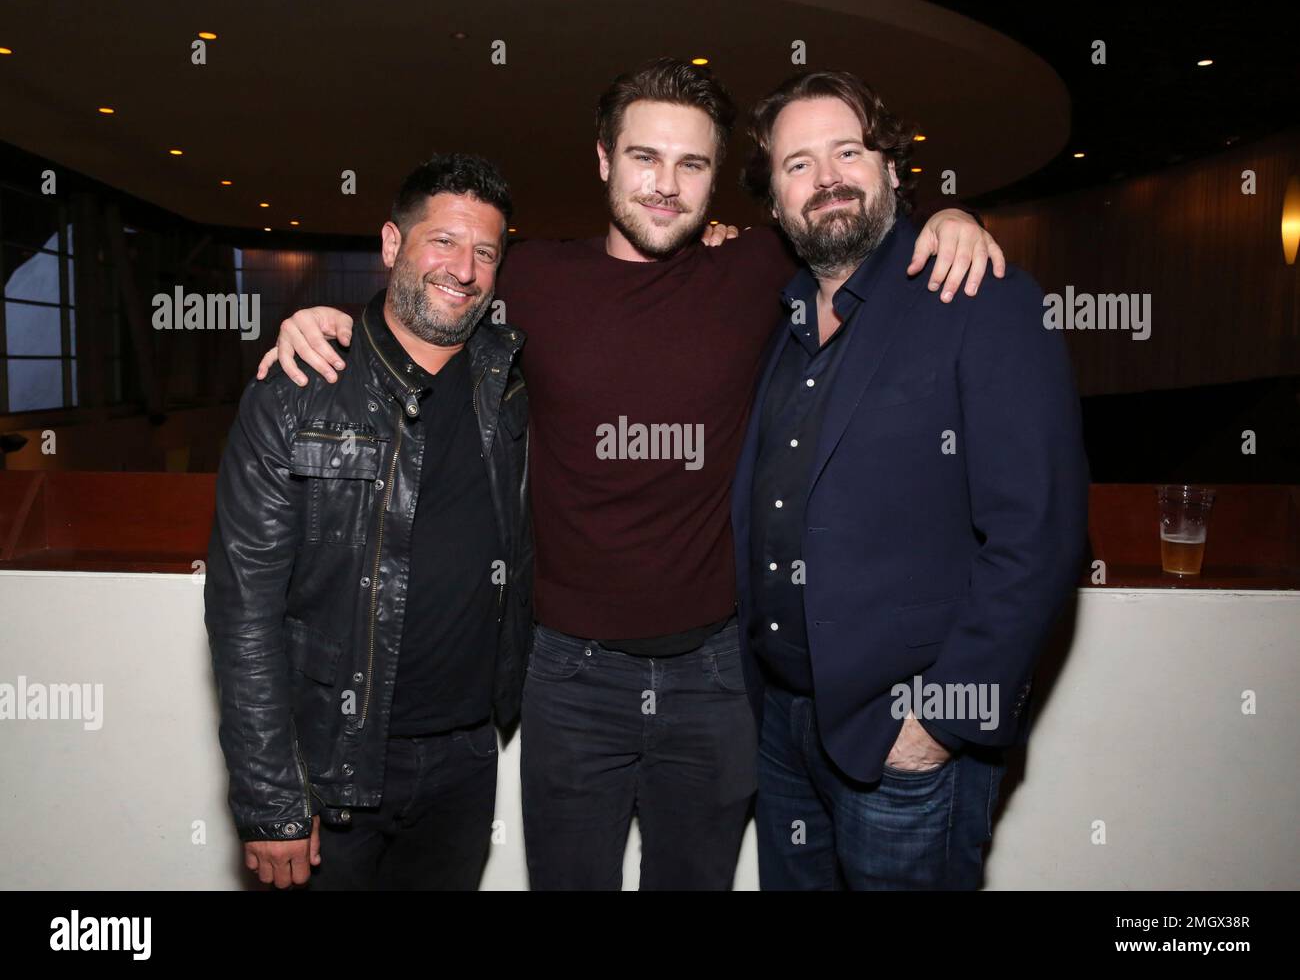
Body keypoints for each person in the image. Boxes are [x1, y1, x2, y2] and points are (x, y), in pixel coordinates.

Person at [257, 58, 1004, 890]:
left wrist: (950, 216)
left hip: (717, 677)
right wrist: (329, 324)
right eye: (645, 158)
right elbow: (428, 306)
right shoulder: (532, 281)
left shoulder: (758, 272)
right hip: (568, 677)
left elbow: (853, 234)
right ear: (605, 160)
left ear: (717, 182)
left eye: (692, 165)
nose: (666, 186)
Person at [733, 71, 1090, 889]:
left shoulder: (978, 295)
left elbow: (1040, 534)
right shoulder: (782, 321)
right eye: (797, 163)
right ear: (776, 202)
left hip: (904, 741)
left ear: (893, 169)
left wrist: (939, 722)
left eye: (848, 150)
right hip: (785, 728)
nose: (825, 177)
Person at [205, 154, 533, 889]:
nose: (465, 268)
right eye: (442, 241)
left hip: (464, 762)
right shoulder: (297, 392)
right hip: (332, 769)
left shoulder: (505, 383)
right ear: (392, 246)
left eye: (485, 251)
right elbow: (243, 610)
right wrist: (273, 803)